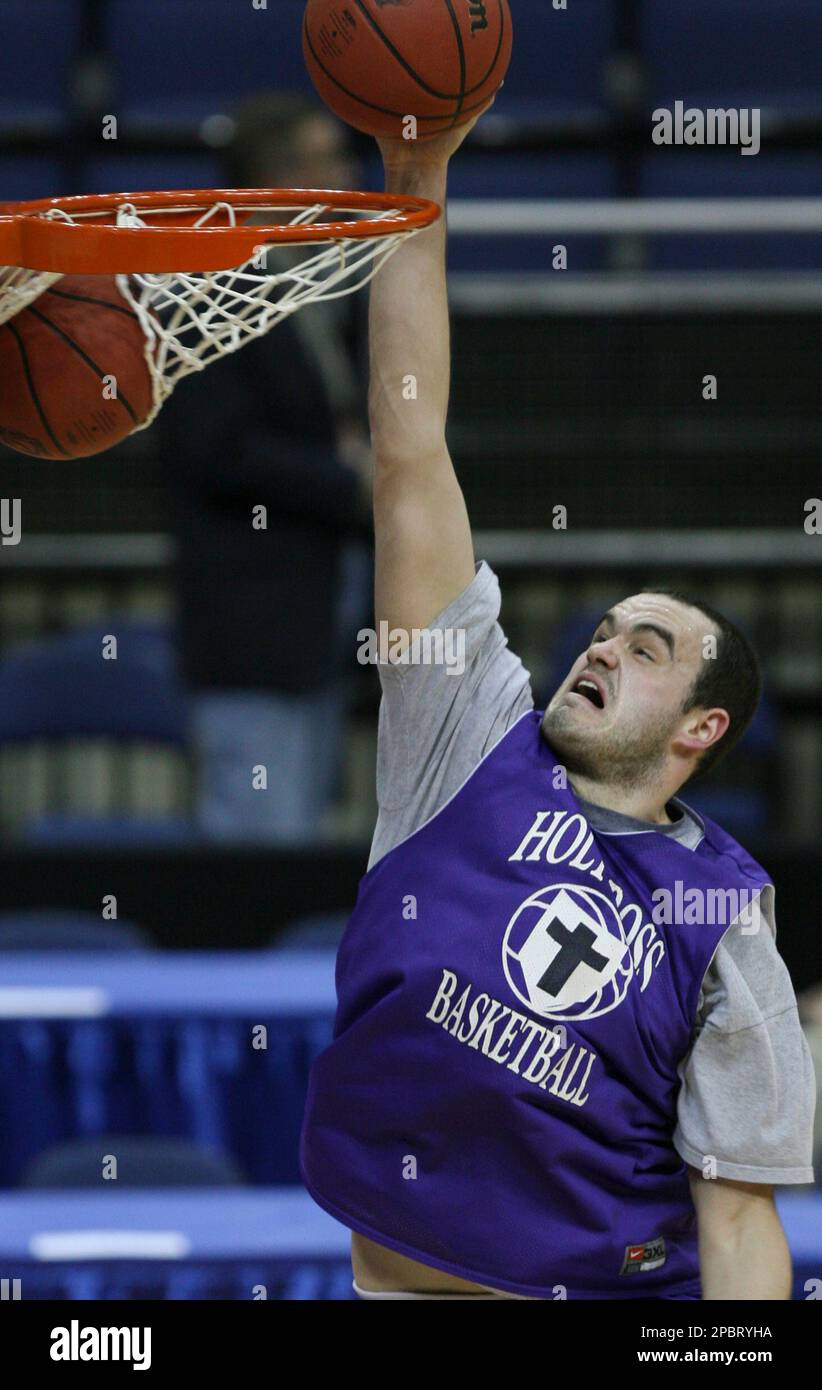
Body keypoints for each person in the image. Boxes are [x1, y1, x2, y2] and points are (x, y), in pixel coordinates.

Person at [299, 99, 816, 1299]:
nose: (601, 649)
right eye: (599, 631)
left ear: (702, 729)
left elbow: (737, 1221)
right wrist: (415, 183)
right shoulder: (463, 741)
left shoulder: (725, 914)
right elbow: (409, 451)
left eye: (646, 646)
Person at [159, 93, 372, 843]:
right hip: (252, 620)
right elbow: (215, 448)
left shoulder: (320, 282)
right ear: (281, 177)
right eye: (330, 161)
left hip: (318, 609)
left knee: (300, 834)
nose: (349, 176)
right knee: (257, 850)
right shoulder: (208, 288)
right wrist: (350, 483)